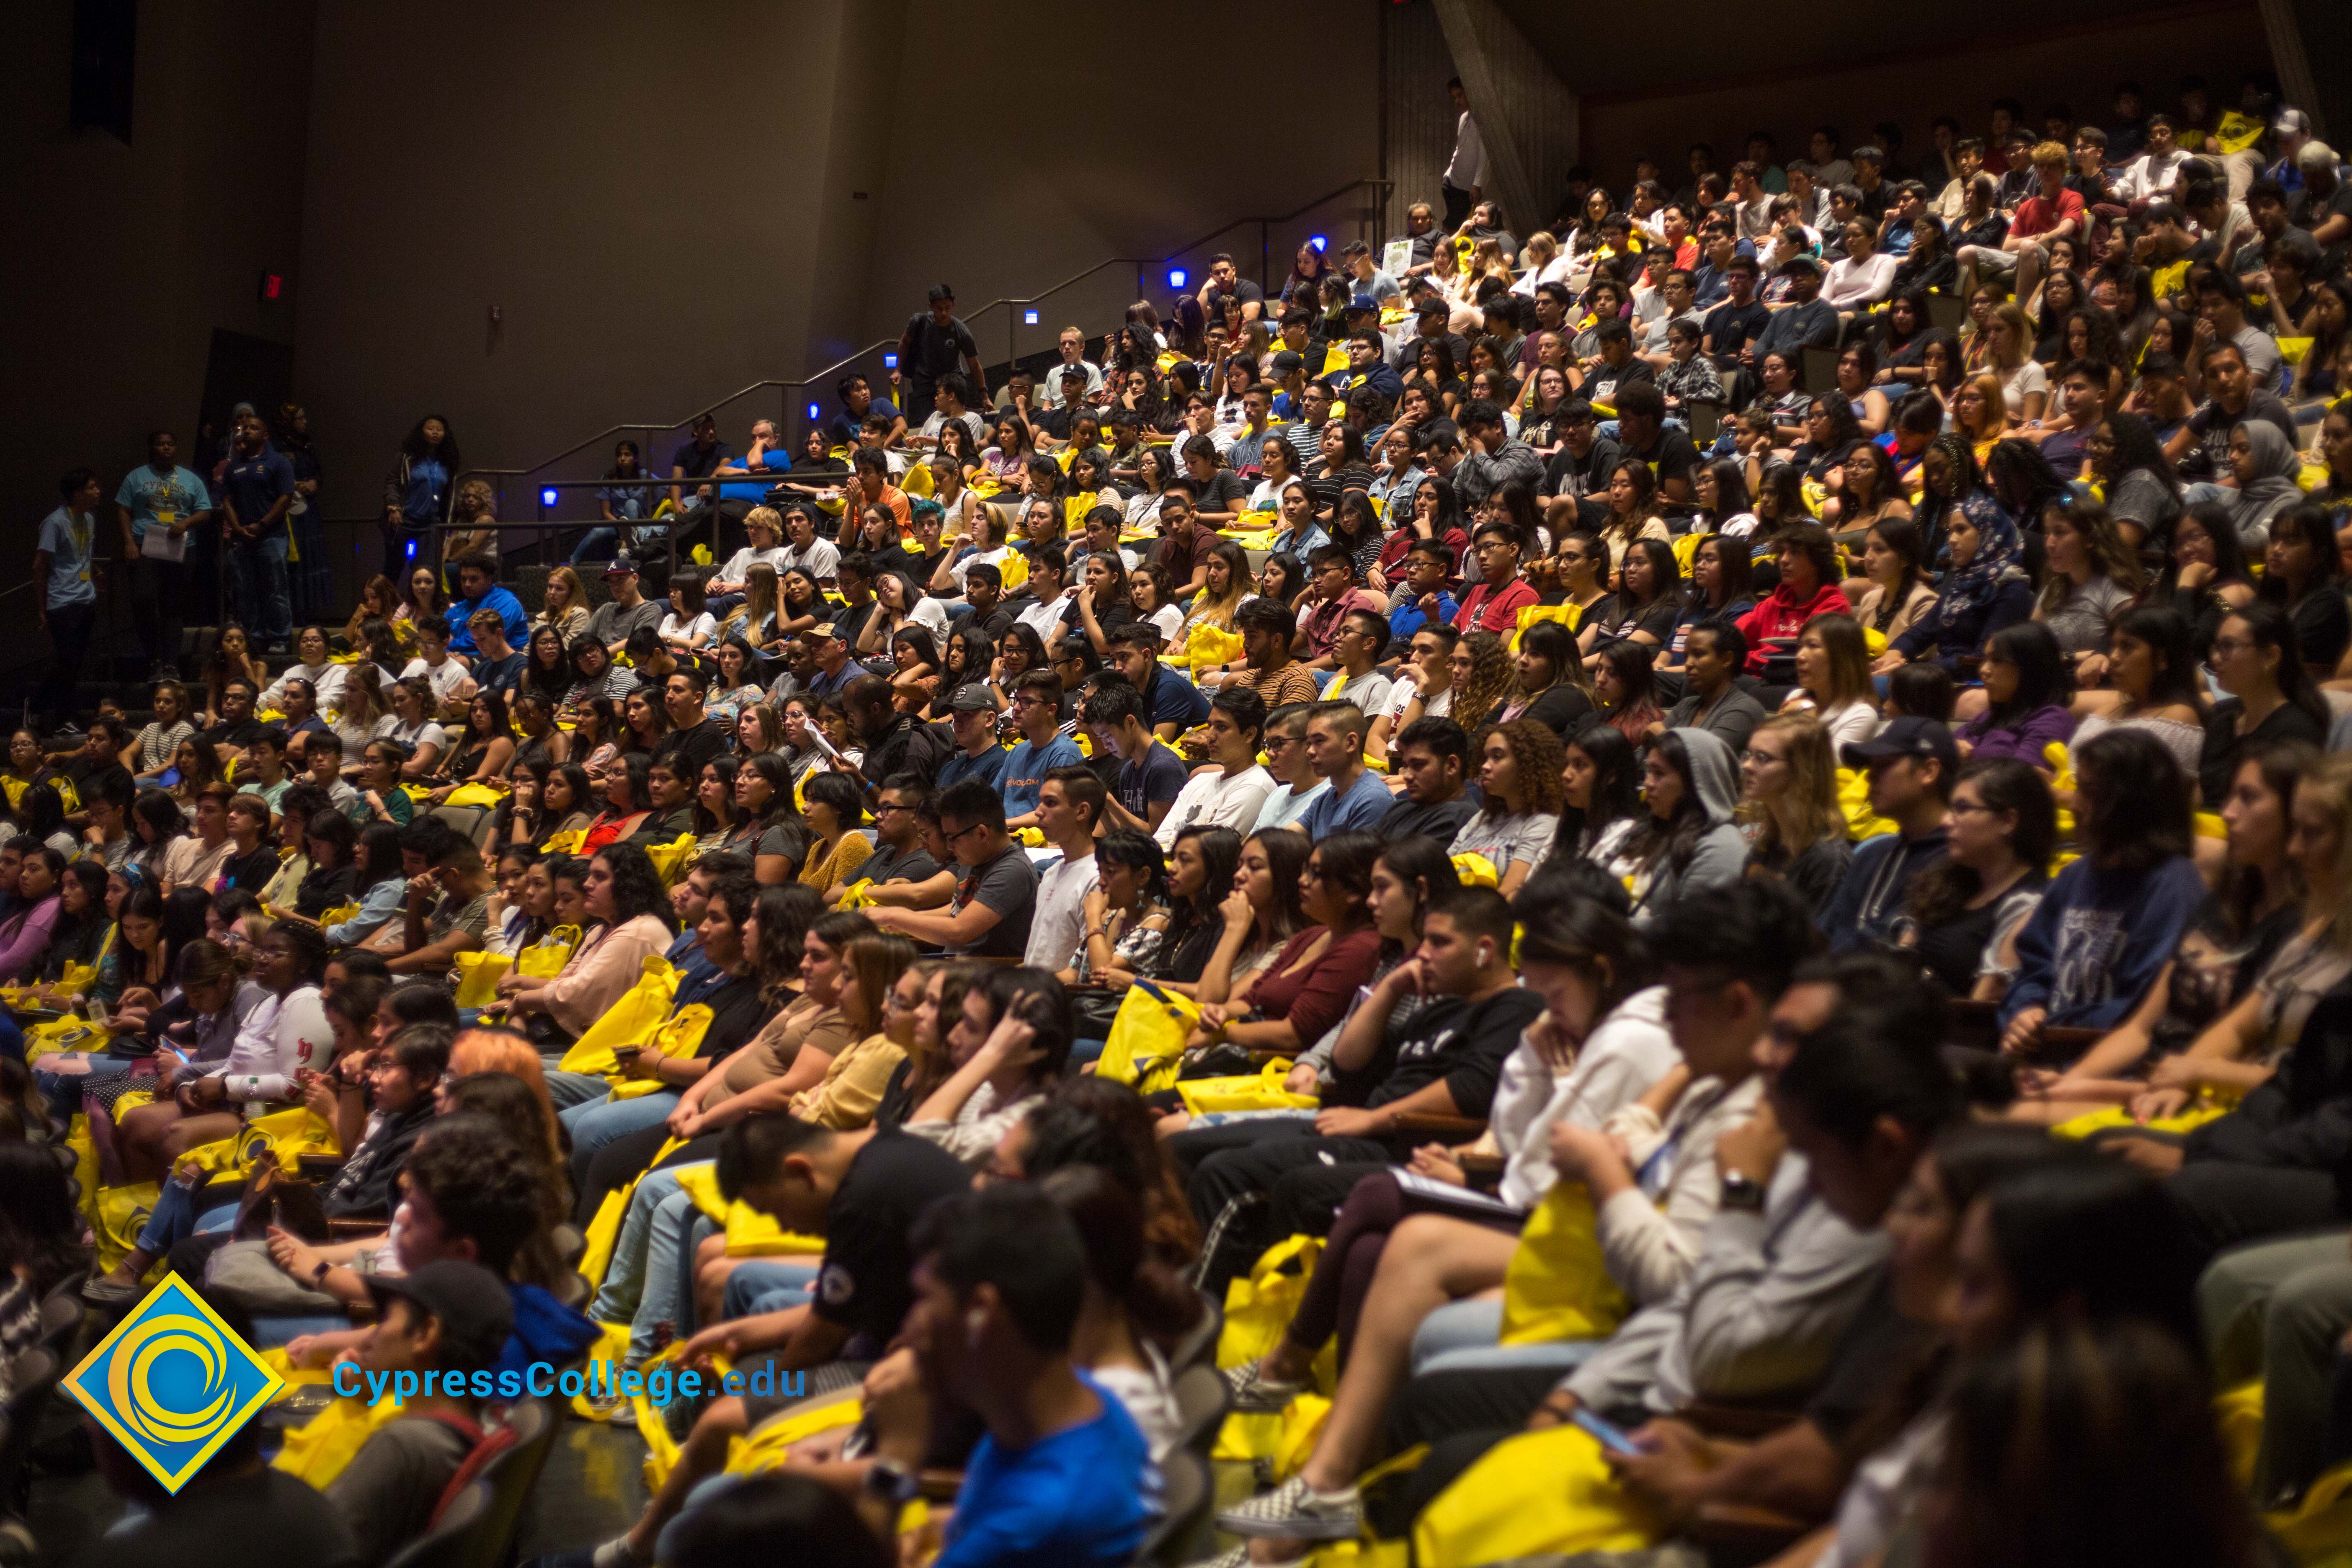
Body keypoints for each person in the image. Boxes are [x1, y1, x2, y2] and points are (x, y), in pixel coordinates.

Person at [1998, 728, 2205, 1059]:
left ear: (2130, 804)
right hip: (2049, 1050)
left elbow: (2141, 1005)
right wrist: (2027, 1010)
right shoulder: (2074, 876)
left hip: (2116, 1066)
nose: (2075, 805)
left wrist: (2051, 1024)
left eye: (2089, 792)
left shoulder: (2172, 886)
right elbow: (2034, 967)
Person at [322, 1259, 513, 1568]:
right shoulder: (468, 1429)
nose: (368, 1338)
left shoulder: (404, 1446)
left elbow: (314, 1555)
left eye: (384, 1320)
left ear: (425, 1334)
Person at [1822, 716, 1956, 950]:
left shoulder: (1960, 862)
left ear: (1929, 771)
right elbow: (1825, 936)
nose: (1870, 776)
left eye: (1884, 765)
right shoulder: (1871, 854)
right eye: (1870, 766)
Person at [868, 778, 1037, 959]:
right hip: (957, 967)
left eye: (952, 838)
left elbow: (959, 931)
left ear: (982, 833)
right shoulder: (975, 858)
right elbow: (956, 911)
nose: (949, 847)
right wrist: (902, 917)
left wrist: (895, 918)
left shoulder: (1013, 870)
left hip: (991, 978)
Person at [2198, 603, 2332, 806]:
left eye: (2228, 647)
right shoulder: (2222, 715)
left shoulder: (2298, 731)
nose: (2216, 658)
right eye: (2216, 647)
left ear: (2271, 657)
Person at [116, 430, 213, 679]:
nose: (167, 448)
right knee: (143, 600)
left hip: (179, 547)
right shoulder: (136, 477)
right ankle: (153, 659)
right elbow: (124, 509)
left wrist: (187, 523)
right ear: (153, 448)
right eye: (161, 444)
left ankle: (170, 664)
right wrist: (129, 542)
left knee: (173, 607)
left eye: (171, 444)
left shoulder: (190, 479)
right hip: (144, 546)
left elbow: (205, 510)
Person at [1740, 713, 1854, 916]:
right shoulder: (1767, 843)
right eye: (1748, 755)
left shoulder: (1829, 858)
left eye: (1762, 758)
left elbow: (1815, 943)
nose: (1746, 766)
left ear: (1801, 770)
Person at [1158, 687, 1276, 849]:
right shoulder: (1199, 781)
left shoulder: (1256, 786)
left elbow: (1206, 854)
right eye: (1210, 726)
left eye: (1221, 728)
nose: (1210, 736)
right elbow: (1160, 841)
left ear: (1250, 735)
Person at [35, 467, 103, 729]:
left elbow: (82, 554)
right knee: (68, 660)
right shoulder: (55, 522)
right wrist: (43, 610)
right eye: (92, 487)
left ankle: (50, 707)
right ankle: (61, 715)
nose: (98, 492)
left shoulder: (89, 518)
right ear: (77, 493)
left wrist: (96, 571)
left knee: (75, 661)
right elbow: (39, 566)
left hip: (86, 598)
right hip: (62, 602)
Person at [1956, 621, 2077, 763]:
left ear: (2030, 666)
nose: (1983, 670)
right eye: (1984, 660)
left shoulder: (2053, 718)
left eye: (1997, 660)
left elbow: (2020, 778)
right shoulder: (1985, 718)